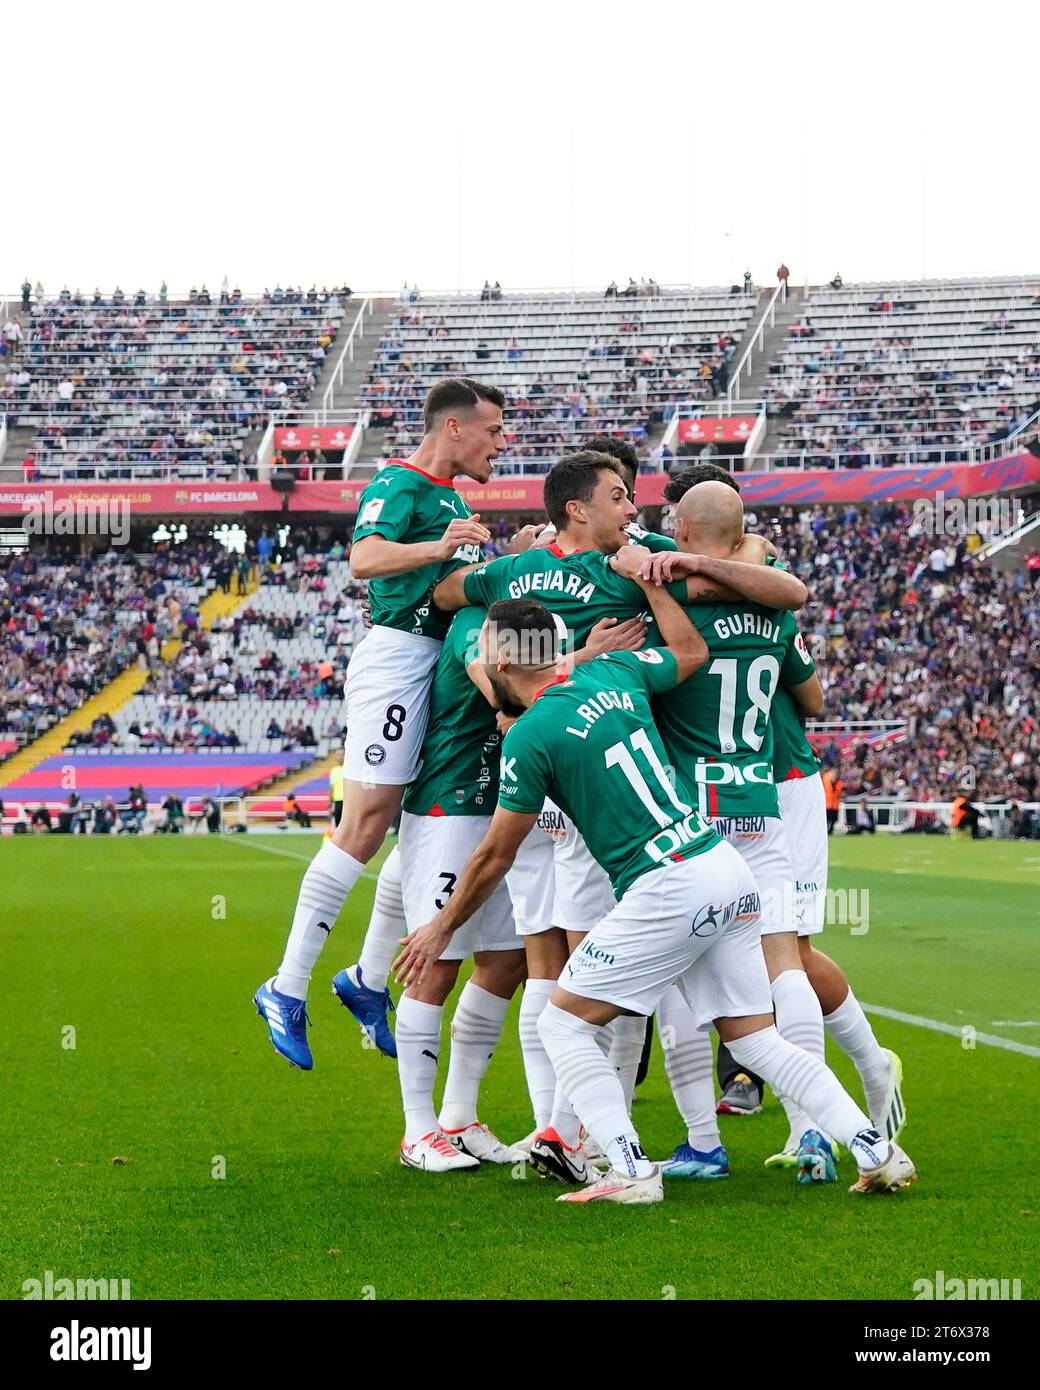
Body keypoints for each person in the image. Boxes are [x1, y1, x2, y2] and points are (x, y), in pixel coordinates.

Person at [394, 588, 917, 1205]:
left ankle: (630, 1170)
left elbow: (494, 855)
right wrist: (650, 585)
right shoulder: (618, 670)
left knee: (562, 1023)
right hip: (721, 863)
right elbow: (690, 651)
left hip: (665, 884)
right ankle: (876, 1149)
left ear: (503, 665)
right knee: (753, 1039)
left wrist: (438, 928)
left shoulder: (529, 736)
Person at [253, 378, 508, 1071]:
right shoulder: (401, 481)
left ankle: (367, 978)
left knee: (416, 821)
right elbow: (363, 560)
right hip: (397, 659)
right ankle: (285, 985)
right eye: (493, 429)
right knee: (364, 823)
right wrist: (439, 548)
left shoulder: (452, 498)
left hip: (436, 663)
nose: (501, 441)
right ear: (454, 428)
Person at [823, 765, 844, 833]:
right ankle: (826, 830)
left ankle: (830, 830)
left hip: (835, 804)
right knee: (827, 818)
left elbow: (840, 792)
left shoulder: (840, 781)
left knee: (834, 818)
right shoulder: (825, 778)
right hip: (827, 803)